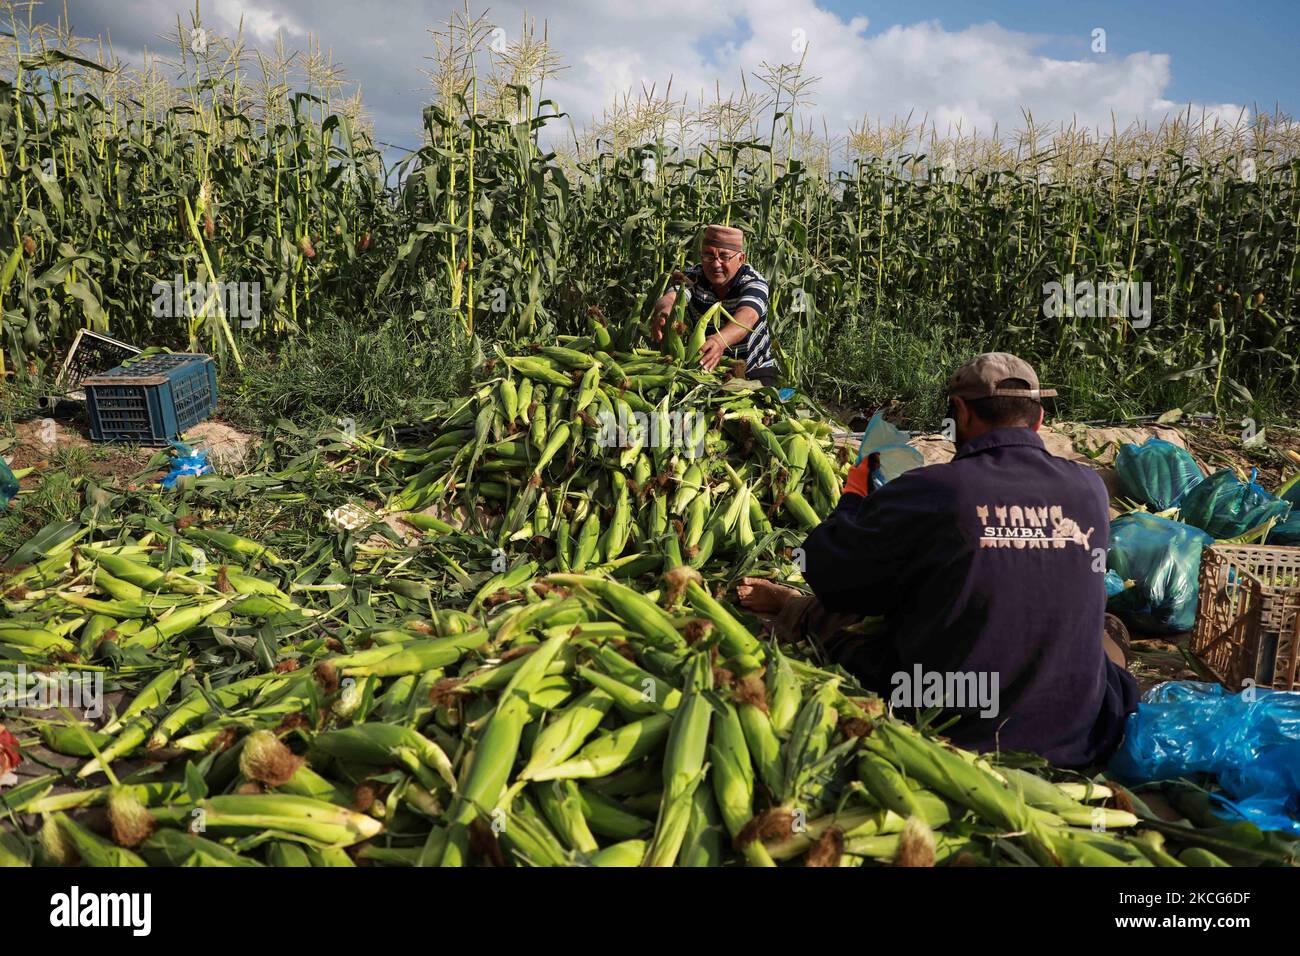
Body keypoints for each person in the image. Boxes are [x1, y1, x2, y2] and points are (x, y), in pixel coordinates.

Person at [737, 352, 1139, 768]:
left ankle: (792, 608)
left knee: (843, 625)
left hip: (954, 724)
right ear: (1038, 420)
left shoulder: (936, 490)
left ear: (962, 413)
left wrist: (855, 499)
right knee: (1107, 633)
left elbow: (830, 574)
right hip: (1075, 733)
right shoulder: (1089, 489)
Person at [651, 224, 779, 387]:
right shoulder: (694, 277)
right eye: (708, 256)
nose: (716, 264)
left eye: (724, 257)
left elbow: (746, 318)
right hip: (708, 367)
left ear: (741, 259)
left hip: (753, 369)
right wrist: (664, 313)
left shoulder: (754, 283)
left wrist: (720, 341)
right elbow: (671, 298)